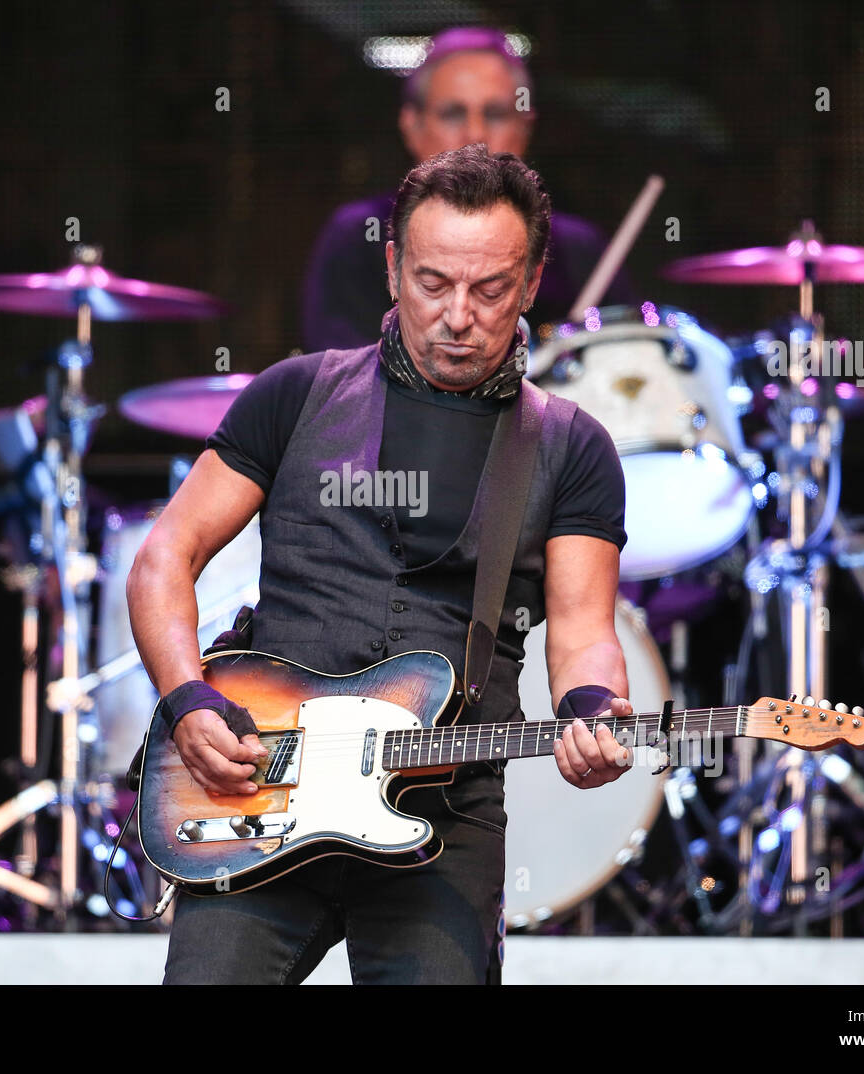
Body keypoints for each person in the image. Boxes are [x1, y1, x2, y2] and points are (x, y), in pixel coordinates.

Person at [127, 145, 632, 985]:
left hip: (443, 810)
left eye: (491, 288)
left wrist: (590, 709)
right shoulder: (295, 394)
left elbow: (584, 632)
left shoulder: (571, 447)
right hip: (259, 784)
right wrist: (187, 703)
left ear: (534, 282)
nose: (459, 315)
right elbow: (163, 559)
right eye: (434, 283)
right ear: (394, 265)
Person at [301, 25, 636, 354]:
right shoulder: (357, 237)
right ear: (411, 126)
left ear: (526, 125)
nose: (475, 134)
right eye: (452, 114)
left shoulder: (578, 247)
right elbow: (344, 387)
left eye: (496, 114)